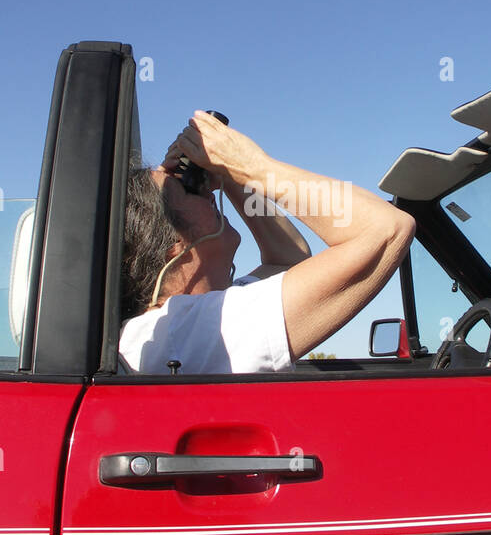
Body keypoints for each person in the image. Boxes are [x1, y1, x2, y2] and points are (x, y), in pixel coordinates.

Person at [119, 111, 415, 373]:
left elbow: (289, 259)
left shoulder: (182, 326)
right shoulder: (180, 331)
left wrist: (230, 177)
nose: (207, 193)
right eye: (186, 191)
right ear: (172, 239)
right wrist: (253, 167)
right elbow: (386, 228)